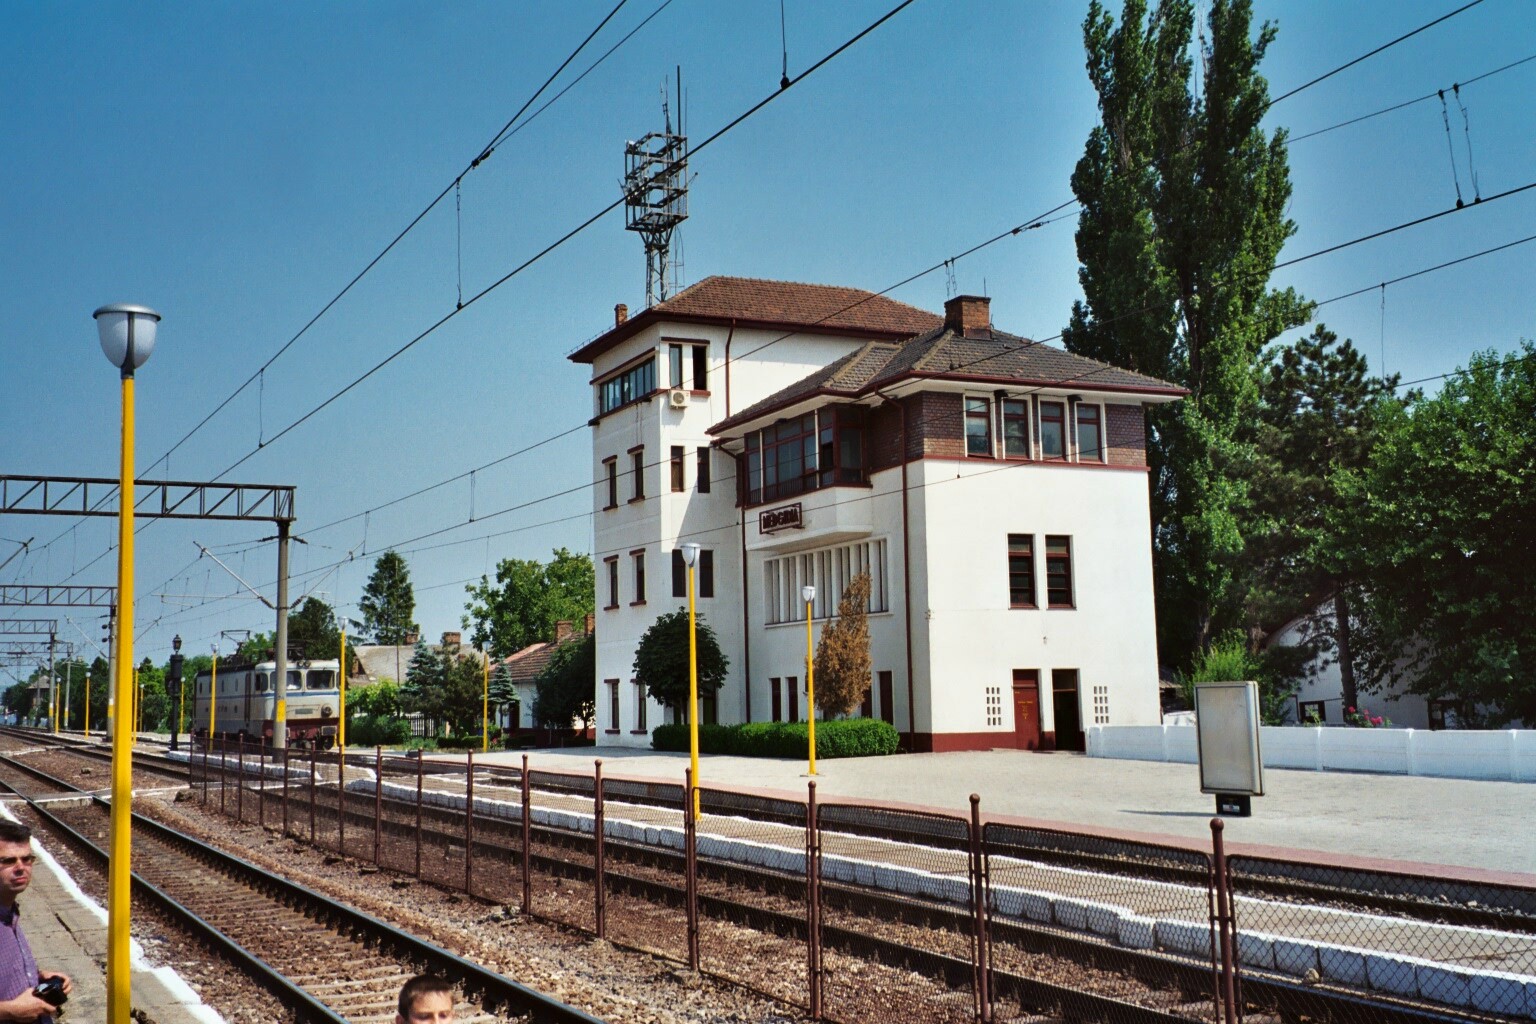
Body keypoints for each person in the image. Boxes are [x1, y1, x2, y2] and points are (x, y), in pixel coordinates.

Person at [0, 820, 71, 1023]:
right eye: (8, 861)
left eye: (26, 859)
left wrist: (35, 978)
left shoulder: (9, 912)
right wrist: (9, 1011)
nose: (20, 868)